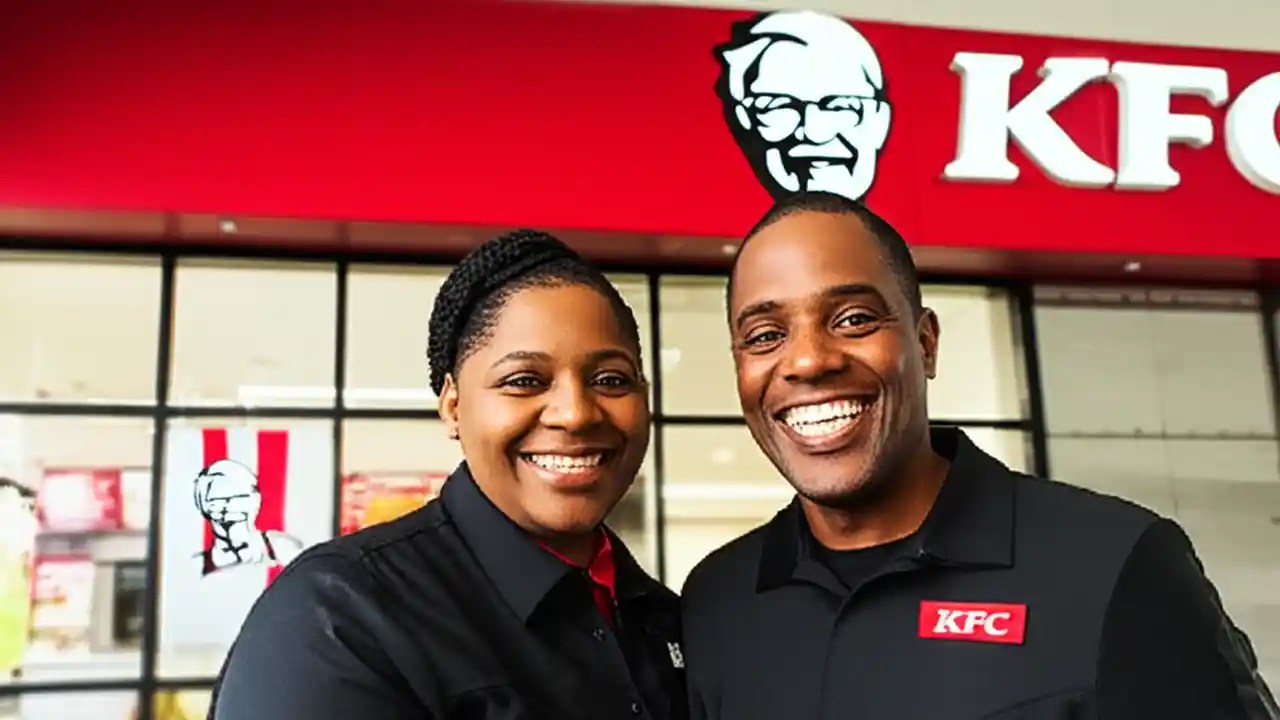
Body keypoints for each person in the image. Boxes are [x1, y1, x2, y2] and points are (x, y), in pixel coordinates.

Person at [681, 191, 1279, 719]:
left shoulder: (1118, 564)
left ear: (925, 344)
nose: (809, 361)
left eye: (854, 319)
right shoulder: (718, 600)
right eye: (764, 336)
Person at [209, 230, 685, 720]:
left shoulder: (671, 620)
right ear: (453, 406)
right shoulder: (339, 615)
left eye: (611, 380)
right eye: (524, 380)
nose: (575, 414)